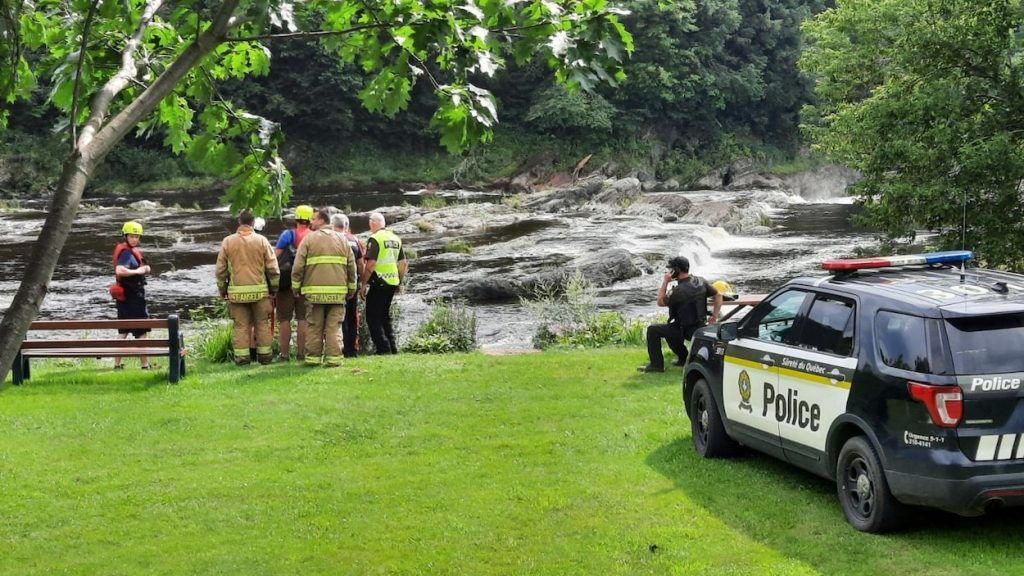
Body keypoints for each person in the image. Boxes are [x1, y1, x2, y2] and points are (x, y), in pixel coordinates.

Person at [292, 208, 357, 367]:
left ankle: (313, 359)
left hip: (314, 294)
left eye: (314, 219)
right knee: (334, 327)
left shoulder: (309, 239)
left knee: (314, 326)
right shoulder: (342, 240)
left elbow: (298, 267)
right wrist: (351, 289)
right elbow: (352, 267)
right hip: (337, 293)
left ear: (322, 221)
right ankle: (334, 359)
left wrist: (296, 288)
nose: (311, 222)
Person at [216, 210, 280, 366]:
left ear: (239, 222)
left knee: (241, 326)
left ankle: (242, 359)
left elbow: (220, 271)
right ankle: (265, 357)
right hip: (260, 293)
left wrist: (223, 290)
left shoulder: (228, 242)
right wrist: (274, 289)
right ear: (252, 223)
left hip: (237, 294)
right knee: (262, 324)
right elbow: (273, 269)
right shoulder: (262, 241)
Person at [639, 256, 723, 373]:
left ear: (677, 271)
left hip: (684, 329)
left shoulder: (678, 291)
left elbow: (660, 302)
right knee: (670, 330)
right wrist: (714, 316)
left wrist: (665, 282)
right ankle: (683, 358)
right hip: (700, 327)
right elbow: (718, 295)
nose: (670, 272)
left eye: (671, 270)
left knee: (653, 330)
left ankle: (656, 365)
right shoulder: (701, 281)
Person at [360, 212, 408, 355]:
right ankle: (392, 347)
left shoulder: (375, 239)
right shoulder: (395, 238)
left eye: (370, 223)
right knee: (384, 316)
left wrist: (363, 284)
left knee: (372, 317)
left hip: (379, 281)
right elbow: (404, 264)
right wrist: (399, 281)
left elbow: (370, 264)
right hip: (392, 281)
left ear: (373, 223)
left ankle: (383, 348)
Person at [112, 220, 153, 370]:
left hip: (124, 299)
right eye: (132, 236)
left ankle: (117, 365)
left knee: (123, 331)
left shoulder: (125, 250)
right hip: (133, 299)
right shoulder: (126, 253)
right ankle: (144, 365)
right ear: (125, 236)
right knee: (141, 331)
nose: (135, 239)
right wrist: (139, 271)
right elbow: (120, 270)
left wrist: (144, 268)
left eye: (137, 236)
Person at [274, 205, 313, 361]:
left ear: (296, 218)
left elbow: (275, 257)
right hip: (306, 283)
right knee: (303, 318)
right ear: (310, 219)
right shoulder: (313, 236)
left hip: (286, 285)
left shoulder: (287, 235)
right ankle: (301, 353)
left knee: (284, 319)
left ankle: (284, 354)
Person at [332, 213, 365, 358]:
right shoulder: (355, 240)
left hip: (336, 282)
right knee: (352, 316)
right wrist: (362, 282)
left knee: (337, 316)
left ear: (333, 226)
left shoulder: (332, 239)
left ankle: (339, 347)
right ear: (346, 226)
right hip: (352, 283)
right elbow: (360, 264)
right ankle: (352, 348)